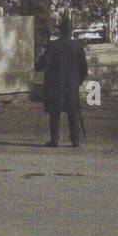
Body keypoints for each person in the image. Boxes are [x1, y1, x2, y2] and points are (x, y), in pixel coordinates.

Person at [37, 13, 88, 148]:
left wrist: (39, 61)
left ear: (60, 31)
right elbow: (84, 69)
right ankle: (75, 140)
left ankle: (55, 140)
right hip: (71, 84)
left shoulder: (53, 46)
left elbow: (41, 65)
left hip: (55, 85)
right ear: (71, 32)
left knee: (55, 113)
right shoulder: (78, 46)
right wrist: (78, 82)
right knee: (73, 113)